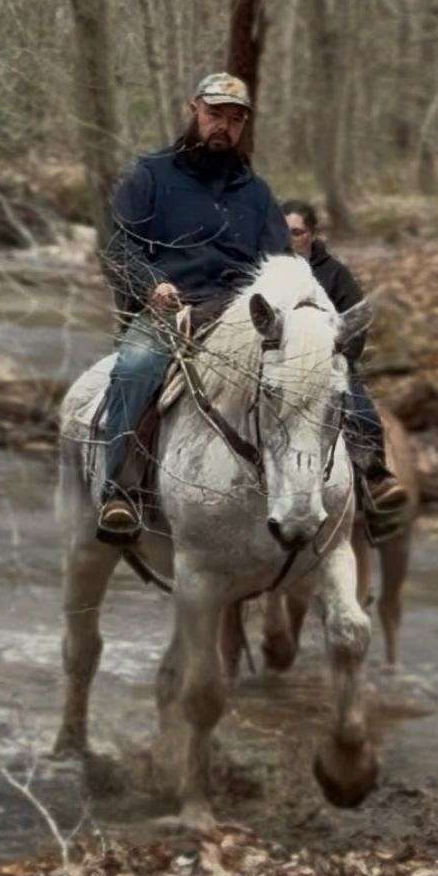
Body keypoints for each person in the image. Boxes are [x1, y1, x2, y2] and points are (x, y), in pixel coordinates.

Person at [97, 72, 290, 540]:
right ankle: (120, 491)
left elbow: (281, 261)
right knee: (137, 366)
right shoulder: (151, 175)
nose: (224, 126)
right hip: (172, 306)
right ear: (194, 111)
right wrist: (152, 285)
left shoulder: (257, 194)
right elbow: (118, 248)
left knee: (302, 371)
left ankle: (319, 486)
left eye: (235, 119)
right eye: (215, 114)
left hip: (241, 310)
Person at [281, 199, 408, 536]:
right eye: (284, 232)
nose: (290, 238)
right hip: (276, 366)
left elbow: (356, 321)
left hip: (329, 362)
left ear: (311, 234)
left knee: (362, 411)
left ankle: (374, 482)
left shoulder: (334, 273)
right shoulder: (266, 271)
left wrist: (338, 352)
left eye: (297, 232)